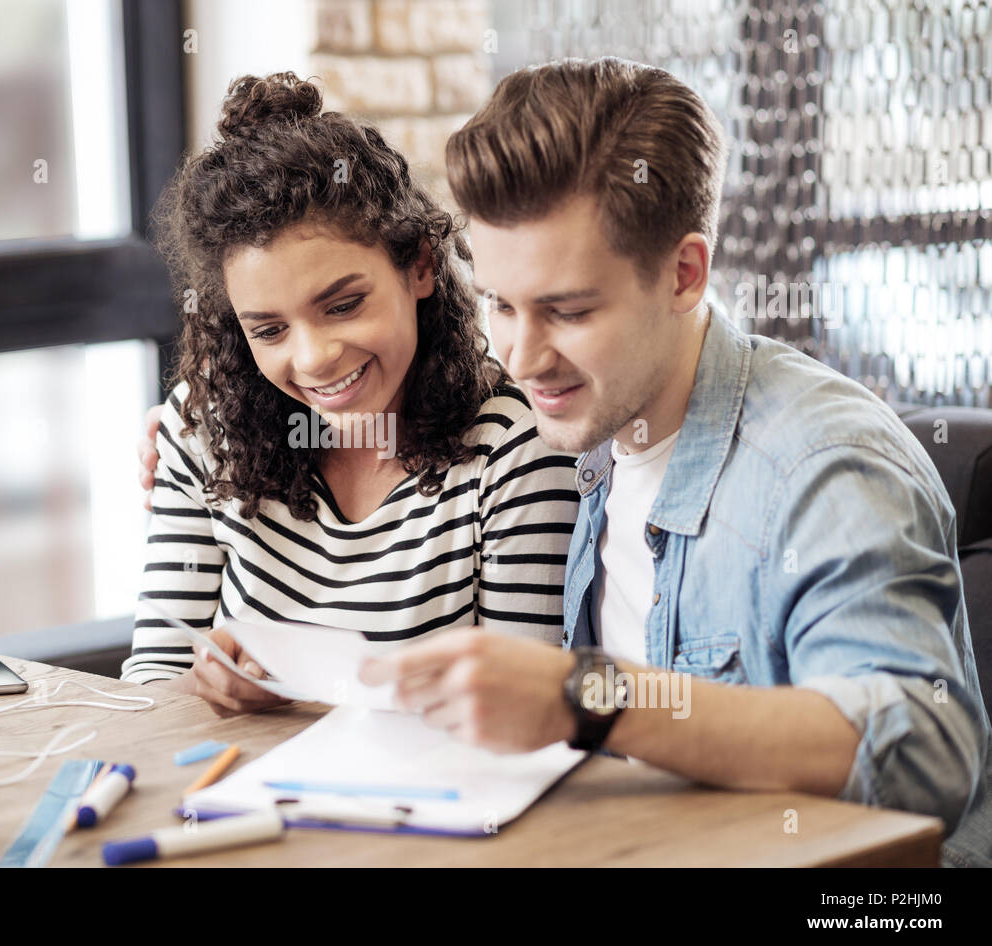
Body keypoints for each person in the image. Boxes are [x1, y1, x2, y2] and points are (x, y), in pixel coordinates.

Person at [349, 57, 991, 868]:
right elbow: (370, 390)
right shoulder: (591, 419)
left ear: (685, 274)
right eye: (501, 304)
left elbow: (925, 748)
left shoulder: (823, 465)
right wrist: (204, 423)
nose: (521, 355)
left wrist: (588, 697)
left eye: (569, 310)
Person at [124, 73, 578, 716]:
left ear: (420, 266)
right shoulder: (202, 434)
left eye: (343, 305)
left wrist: (308, 702)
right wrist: (211, 687)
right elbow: (148, 685)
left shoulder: (514, 452)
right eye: (270, 329)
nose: (312, 358)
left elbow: (526, 713)